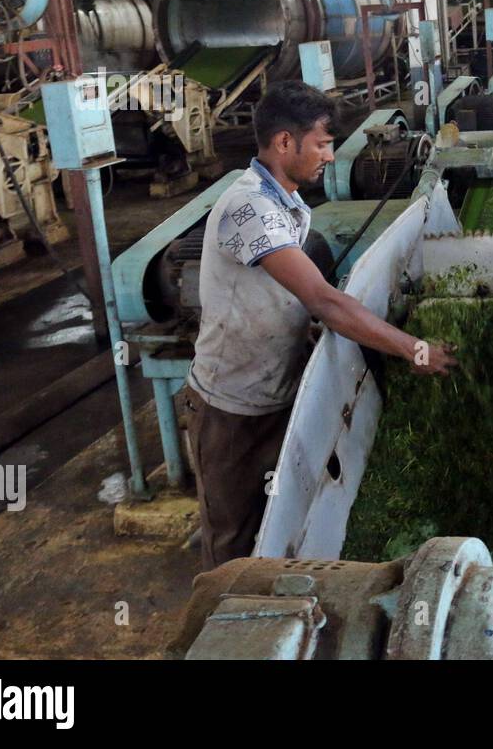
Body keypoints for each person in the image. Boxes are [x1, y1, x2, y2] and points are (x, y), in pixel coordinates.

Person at [185, 81, 456, 570]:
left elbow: (290, 298)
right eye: (322, 144)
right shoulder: (250, 208)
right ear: (284, 142)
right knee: (230, 542)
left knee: (278, 526)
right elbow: (325, 301)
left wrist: (299, 328)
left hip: (281, 393)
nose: (330, 157)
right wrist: (414, 349)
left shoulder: (291, 206)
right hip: (232, 408)